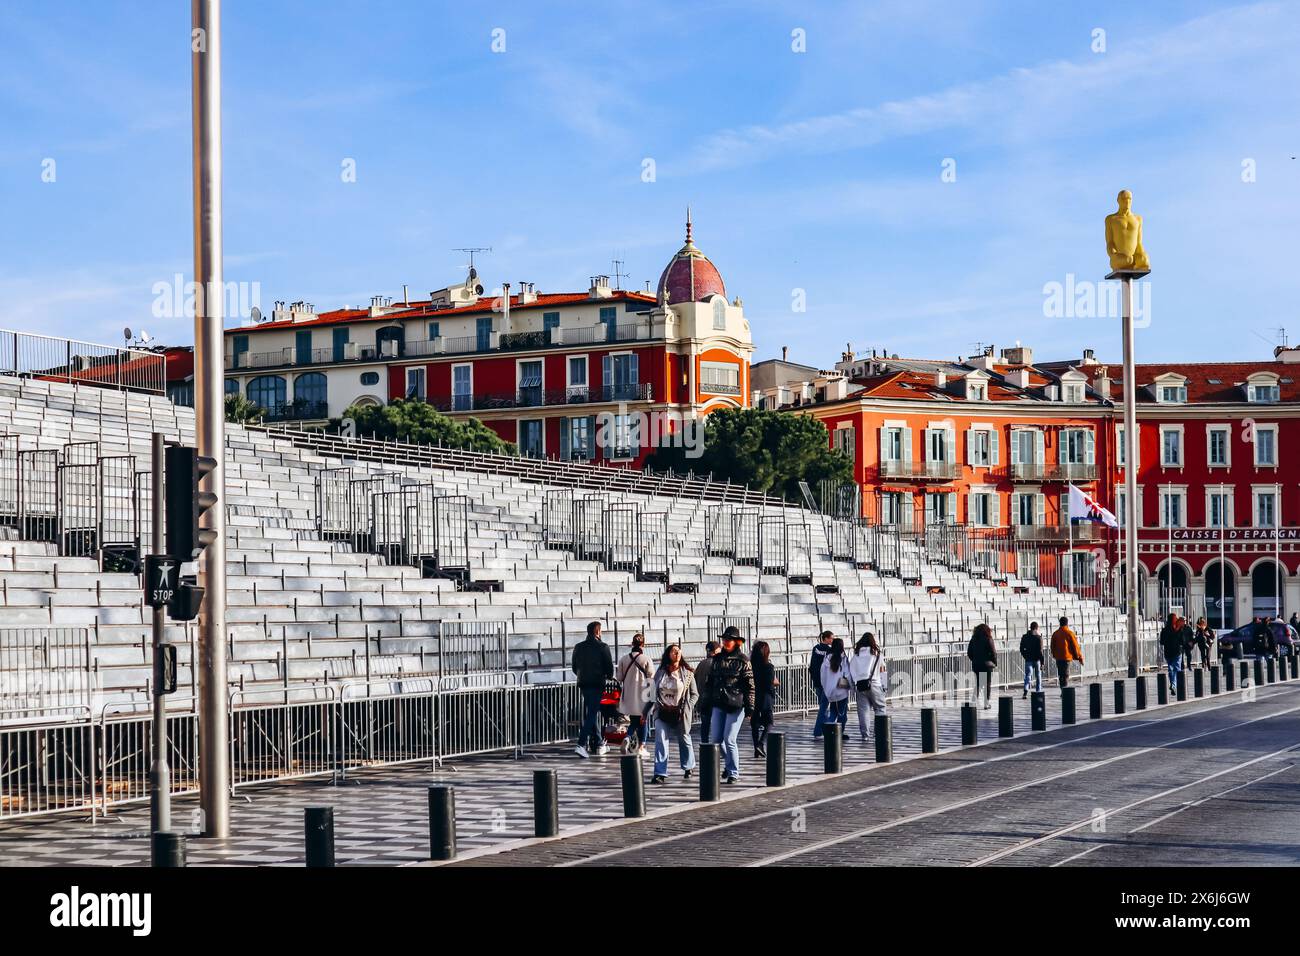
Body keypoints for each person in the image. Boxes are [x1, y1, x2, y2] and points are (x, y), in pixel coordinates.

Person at [706, 627, 755, 784]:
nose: (726, 642)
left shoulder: (743, 660)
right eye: (724, 639)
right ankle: (729, 765)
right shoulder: (717, 659)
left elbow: (750, 685)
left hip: (735, 703)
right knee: (716, 739)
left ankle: (733, 771)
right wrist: (706, 701)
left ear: (737, 642)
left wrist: (750, 706)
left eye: (729, 639)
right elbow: (710, 682)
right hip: (718, 702)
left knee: (729, 739)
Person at [650, 644, 697, 784]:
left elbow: (695, 694)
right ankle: (660, 772)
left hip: (680, 713)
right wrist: (648, 710)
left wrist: (688, 706)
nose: (676, 653)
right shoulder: (660, 672)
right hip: (662, 711)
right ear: (668, 654)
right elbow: (651, 693)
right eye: (673, 651)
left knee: (684, 738)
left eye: (678, 650)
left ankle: (688, 766)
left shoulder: (687, 673)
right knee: (661, 739)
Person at [571, 621, 613, 757]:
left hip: (583, 683)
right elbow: (609, 667)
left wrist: (582, 675)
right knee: (592, 714)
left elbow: (574, 666)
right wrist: (608, 676)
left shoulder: (578, 646)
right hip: (596, 683)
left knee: (591, 713)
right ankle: (581, 743)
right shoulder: (603, 647)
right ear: (598, 632)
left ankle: (600, 742)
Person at [616, 633, 655, 755]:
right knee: (643, 720)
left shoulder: (623, 659)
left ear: (632, 644)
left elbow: (619, 677)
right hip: (643, 694)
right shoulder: (646, 659)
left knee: (633, 721)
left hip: (629, 695)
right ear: (643, 645)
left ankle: (627, 737)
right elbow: (651, 677)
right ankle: (641, 747)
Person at [849, 632, 886, 741]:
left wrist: (853, 686)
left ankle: (865, 735)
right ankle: (879, 732)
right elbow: (882, 670)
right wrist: (885, 686)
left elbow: (851, 671)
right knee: (880, 708)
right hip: (875, 684)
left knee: (863, 711)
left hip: (860, 685)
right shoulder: (876, 654)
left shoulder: (856, 655)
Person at [750, 640, 778, 757]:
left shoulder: (750, 666)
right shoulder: (768, 667)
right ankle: (761, 743)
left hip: (753, 695)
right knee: (769, 722)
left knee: (755, 723)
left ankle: (756, 746)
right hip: (765, 696)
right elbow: (770, 683)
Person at [819, 637, 853, 729]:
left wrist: (825, 687)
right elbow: (848, 675)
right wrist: (852, 688)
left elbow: (822, 675)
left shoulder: (827, 658)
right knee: (842, 714)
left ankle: (828, 731)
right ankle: (839, 734)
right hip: (841, 690)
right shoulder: (843, 658)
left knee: (833, 712)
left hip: (830, 691)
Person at [809, 631, 835, 739]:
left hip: (816, 680)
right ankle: (820, 730)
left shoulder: (815, 648)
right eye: (831, 638)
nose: (832, 641)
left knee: (822, 705)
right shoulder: (829, 650)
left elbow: (812, 664)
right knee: (824, 707)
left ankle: (823, 729)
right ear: (826, 639)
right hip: (826, 681)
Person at [967, 623, 997, 709]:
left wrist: (975, 660)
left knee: (979, 684)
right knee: (987, 684)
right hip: (987, 665)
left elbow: (969, 652)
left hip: (976, 665)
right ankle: (986, 703)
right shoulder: (988, 639)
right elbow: (993, 652)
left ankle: (973, 701)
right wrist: (994, 662)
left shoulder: (973, 639)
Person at [695, 640, 720, 744]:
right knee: (717, 725)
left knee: (704, 725)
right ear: (714, 652)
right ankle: (718, 749)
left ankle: (704, 746)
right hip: (714, 700)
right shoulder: (717, 664)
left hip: (702, 700)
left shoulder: (701, 664)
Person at [1050, 616, 1083, 688]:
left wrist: (1054, 654)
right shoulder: (1069, 633)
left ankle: (1062, 689)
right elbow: (1075, 646)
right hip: (1067, 657)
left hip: (1058, 657)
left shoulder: (1055, 633)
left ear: (1060, 623)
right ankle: (1064, 691)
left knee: (1061, 674)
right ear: (1067, 623)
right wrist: (1080, 657)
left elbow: (1052, 646)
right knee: (1066, 674)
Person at [1160, 613, 1189, 692]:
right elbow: (1182, 641)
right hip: (1177, 652)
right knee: (1177, 669)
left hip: (1168, 652)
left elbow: (1162, 642)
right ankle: (1175, 685)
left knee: (1171, 669)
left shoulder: (1165, 630)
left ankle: (1173, 684)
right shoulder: (1178, 629)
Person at [1019, 621, 1044, 698]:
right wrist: (1042, 662)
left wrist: (1025, 656)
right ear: (1037, 628)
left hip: (1028, 659)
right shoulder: (1038, 638)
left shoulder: (1025, 637)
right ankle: (1038, 691)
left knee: (1028, 675)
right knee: (1038, 676)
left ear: (1030, 627)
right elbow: (1040, 651)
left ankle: (1025, 690)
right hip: (1037, 660)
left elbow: (1021, 648)